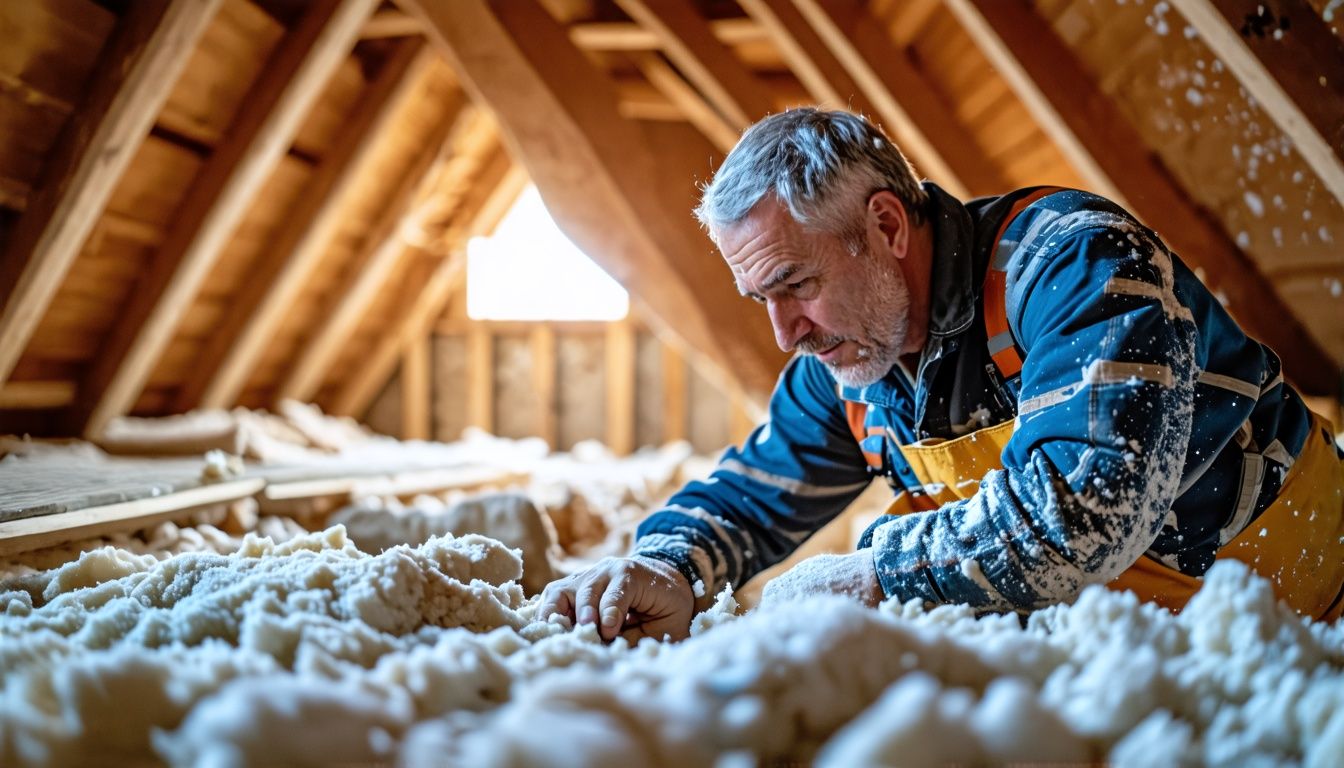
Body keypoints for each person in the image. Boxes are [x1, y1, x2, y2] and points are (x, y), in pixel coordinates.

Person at [538, 108, 1344, 642]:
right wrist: (666, 565)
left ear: (885, 224)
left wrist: (876, 575)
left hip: (1310, 640)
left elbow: (1085, 513)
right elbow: (754, 493)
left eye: (796, 286)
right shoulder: (854, 354)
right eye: (761, 300)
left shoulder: (1070, 263)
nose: (786, 334)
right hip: (1152, 655)